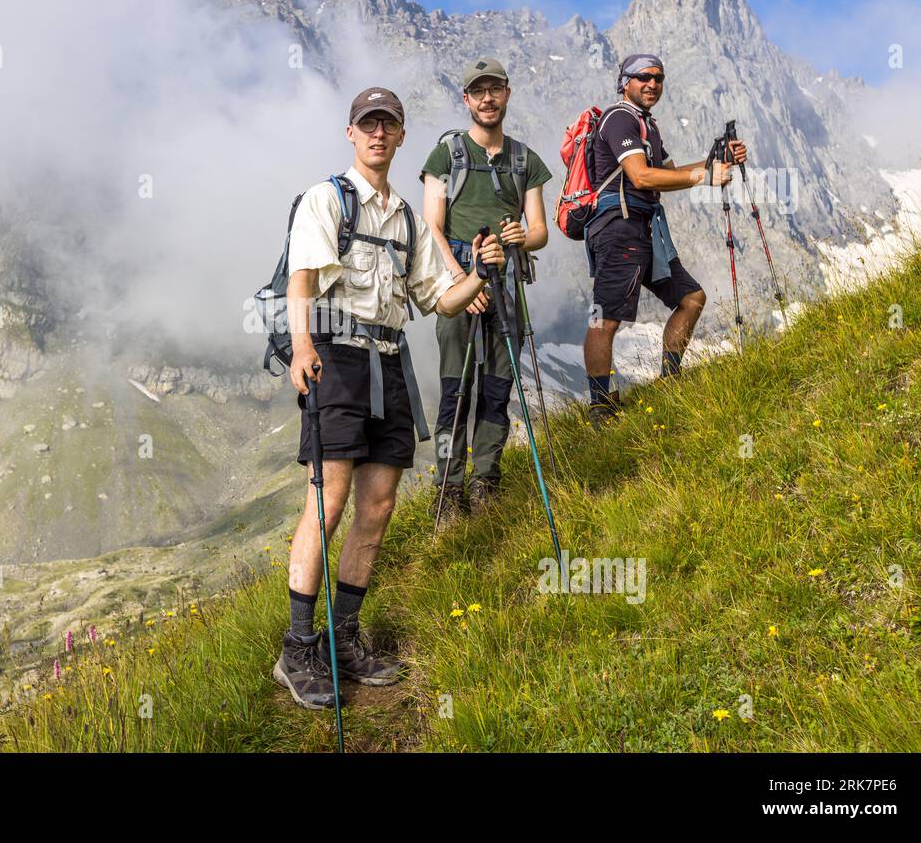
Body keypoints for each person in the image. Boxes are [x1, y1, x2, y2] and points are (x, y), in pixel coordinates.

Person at [276, 86, 506, 710]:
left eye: (390, 125)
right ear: (351, 132)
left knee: (377, 506)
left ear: (402, 136)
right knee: (329, 500)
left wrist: (481, 270)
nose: (379, 134)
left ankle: (342, 641)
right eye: (368, 124)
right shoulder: (327, 199)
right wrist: (302, 347)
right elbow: (302, 280)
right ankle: (298, 646)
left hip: (390, 359)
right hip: (335, 357)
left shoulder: (408, 218)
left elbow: (442, 299)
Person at [583, 53, 747, 426]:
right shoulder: (620, 117)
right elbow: (641, 177)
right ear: (625, 82)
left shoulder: (646, 125)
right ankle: (600, 408)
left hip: (645, 228)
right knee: (604, 319)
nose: (652, 84)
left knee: (691, 298)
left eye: (659, 78)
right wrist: (703, 178)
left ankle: (670, 383)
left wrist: (718, 162)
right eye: (643, 77)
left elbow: (669, 174)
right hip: (618, 227)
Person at [419, 57, 552, 517]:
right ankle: (449, 489)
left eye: (494, 89)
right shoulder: (446, 157)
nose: (487, 98)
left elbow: (540, 231)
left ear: (507, 94)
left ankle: (485, 484)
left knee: (497, 388)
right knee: (456, 386)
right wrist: (461, 278)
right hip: (461, 280)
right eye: (478, 91)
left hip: (508, 281)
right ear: (467, 100)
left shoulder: (524, 159)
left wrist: (523, 236)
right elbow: (431, 228)